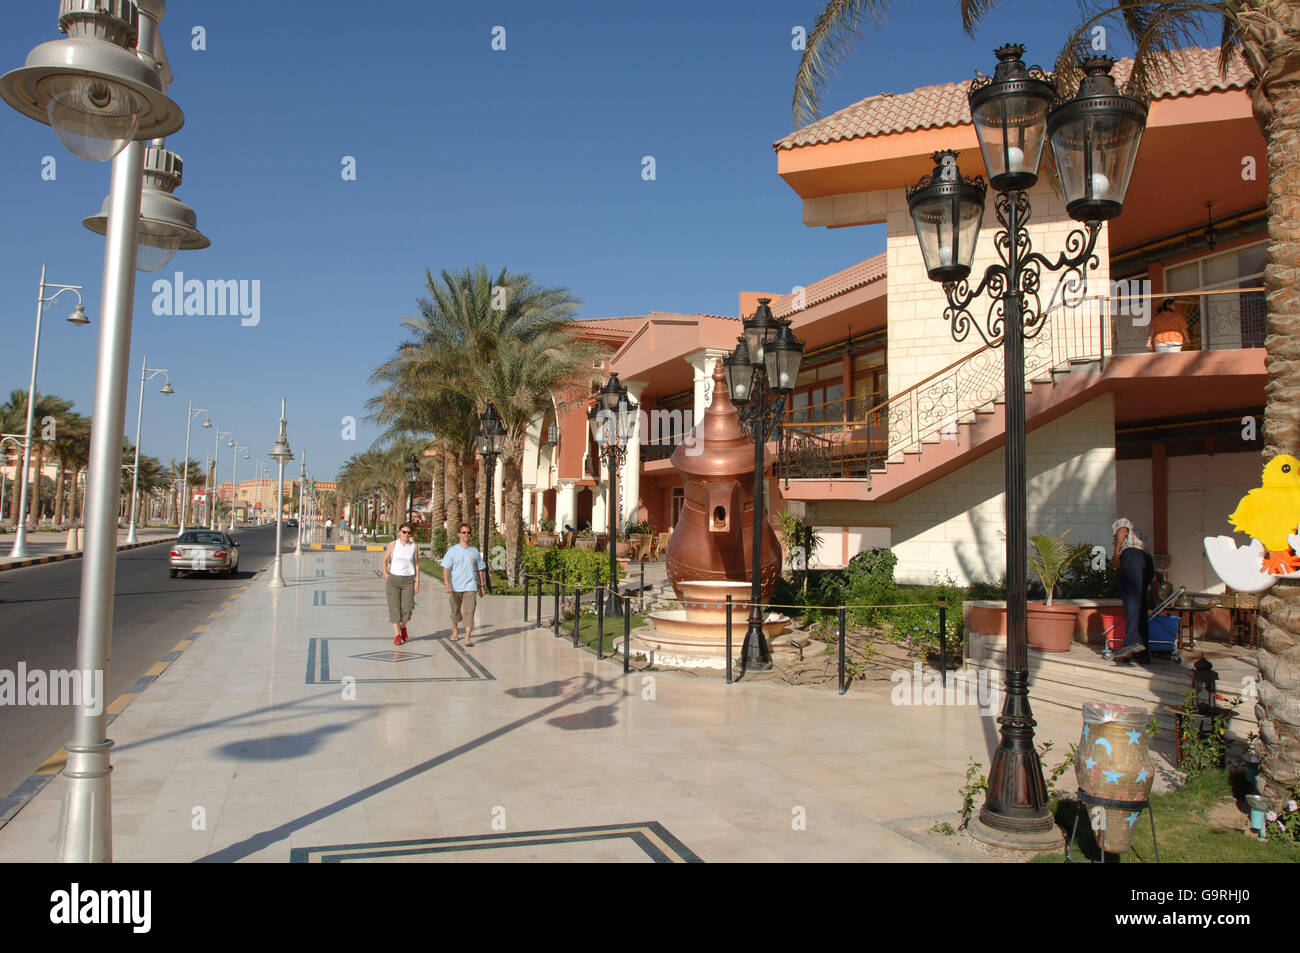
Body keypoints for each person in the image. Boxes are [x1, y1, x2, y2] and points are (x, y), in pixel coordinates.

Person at [1111, 517, 1155, 662]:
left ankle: (1132, 642)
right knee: (1140, 605)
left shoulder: (1122, 522)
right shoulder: (1140, 534)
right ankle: (1142, 655)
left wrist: (1116, 554)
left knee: (1131, 601)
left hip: (1132, 558)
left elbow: (1122, 530)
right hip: (1147, 562)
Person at [441, 522, 486, 646]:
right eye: (464, 532)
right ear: (459, 535)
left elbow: (480, 570)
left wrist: (482, 586)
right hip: (455, 586)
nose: (466, 535)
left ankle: (467, 637)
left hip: (470, 586)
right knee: (455, 611)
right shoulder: (452, 551)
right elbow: (446, 568)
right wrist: (446, 583)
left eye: (468, 533)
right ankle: (455, 630)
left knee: (470, 611)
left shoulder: (474, 551)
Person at [383, 521, 420, 645]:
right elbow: (384, 560)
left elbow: (416, 564)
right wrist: (385, 574)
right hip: (393, 579)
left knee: (408, 608)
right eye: (404, 532)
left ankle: (403, 626)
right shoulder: (393, 545)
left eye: (409, 532)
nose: (406, 534)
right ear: (399, 532)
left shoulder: (413, 546)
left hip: (408, 580)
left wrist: (417, 581)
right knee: (394, 608)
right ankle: (397, 635)